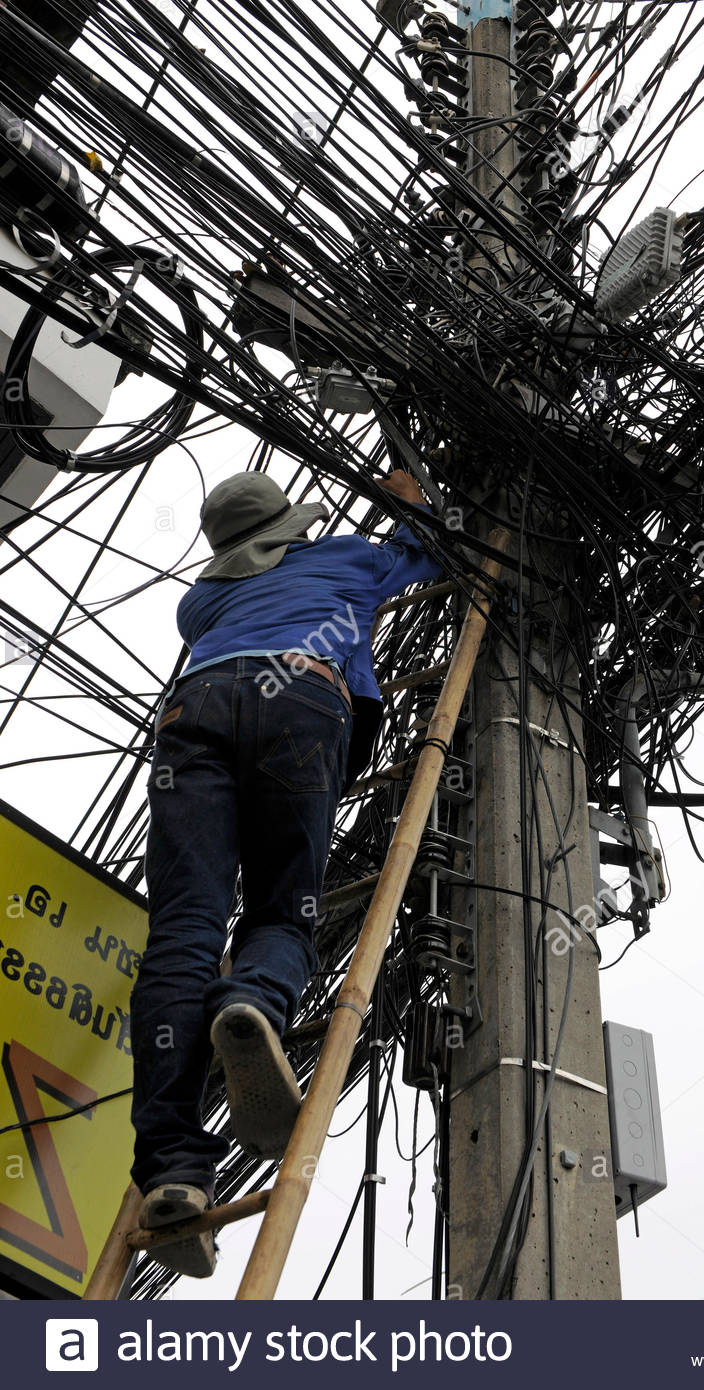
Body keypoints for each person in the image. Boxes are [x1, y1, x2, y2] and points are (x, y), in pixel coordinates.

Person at [130, 467, 442, 1277]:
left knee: (185, 930)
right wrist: (407, 496)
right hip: (302, 704)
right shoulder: (344, 557)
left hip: (191, 716)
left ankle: (170, 1166)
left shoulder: (198, 604)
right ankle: (251, 1000)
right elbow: (429, 548)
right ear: (288, 526)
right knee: (279, 911)